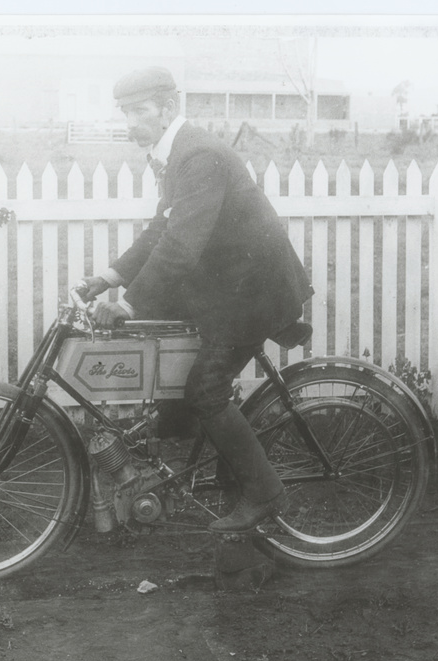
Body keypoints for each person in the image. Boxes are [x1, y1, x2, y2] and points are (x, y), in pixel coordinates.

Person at [78, 66, 314, 540]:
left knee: (205, 390)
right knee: (182, 378)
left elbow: (182, 244)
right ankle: (207, 472)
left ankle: (263, 491)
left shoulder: (198, 156)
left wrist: (130, 302)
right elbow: (162, 229)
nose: (131, 122)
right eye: (126, 112)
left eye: (140, 111)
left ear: (168, 108)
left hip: (253, 291)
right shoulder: (174, 153)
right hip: (229, 287)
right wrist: (109, 276)